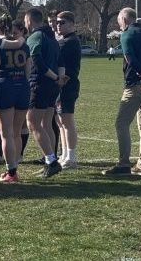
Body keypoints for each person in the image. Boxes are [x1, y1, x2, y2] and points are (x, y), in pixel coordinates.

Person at [102, 7, 141, 176]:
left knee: (121, 123)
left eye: (119, 22)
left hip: (135, 85)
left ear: (124, 19)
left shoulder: (127, 35)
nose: (119, 25)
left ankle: (123, 164)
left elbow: (129, 58)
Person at [24, 7, 63, 178]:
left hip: (40, 84)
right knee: (47, 124)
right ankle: (51, 160)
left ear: (30, 20)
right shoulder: (52, 37)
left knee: (32, 122)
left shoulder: (36, 36)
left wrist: (54, 76)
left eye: (25, 20)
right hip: (52, 86)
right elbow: (60, 60)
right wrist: (58, 78)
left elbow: (37, 60)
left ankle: (51, 161)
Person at [0, 14, 31, 182]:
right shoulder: (23, 45)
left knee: (6, 133)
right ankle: (14, 167)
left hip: (5, 87)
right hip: (22, 87)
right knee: (16, 133)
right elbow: (28, 69)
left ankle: (11, 172)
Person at [56, 11, 81, 169]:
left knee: (67, 121)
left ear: (71, 24)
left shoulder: (70, 41)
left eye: (62, 22)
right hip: (62, 86)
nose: (58, 25)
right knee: (61, 122)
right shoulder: (64, 40)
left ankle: (71, 157)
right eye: (57, 22)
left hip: (68, 85)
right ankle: (64, 154)